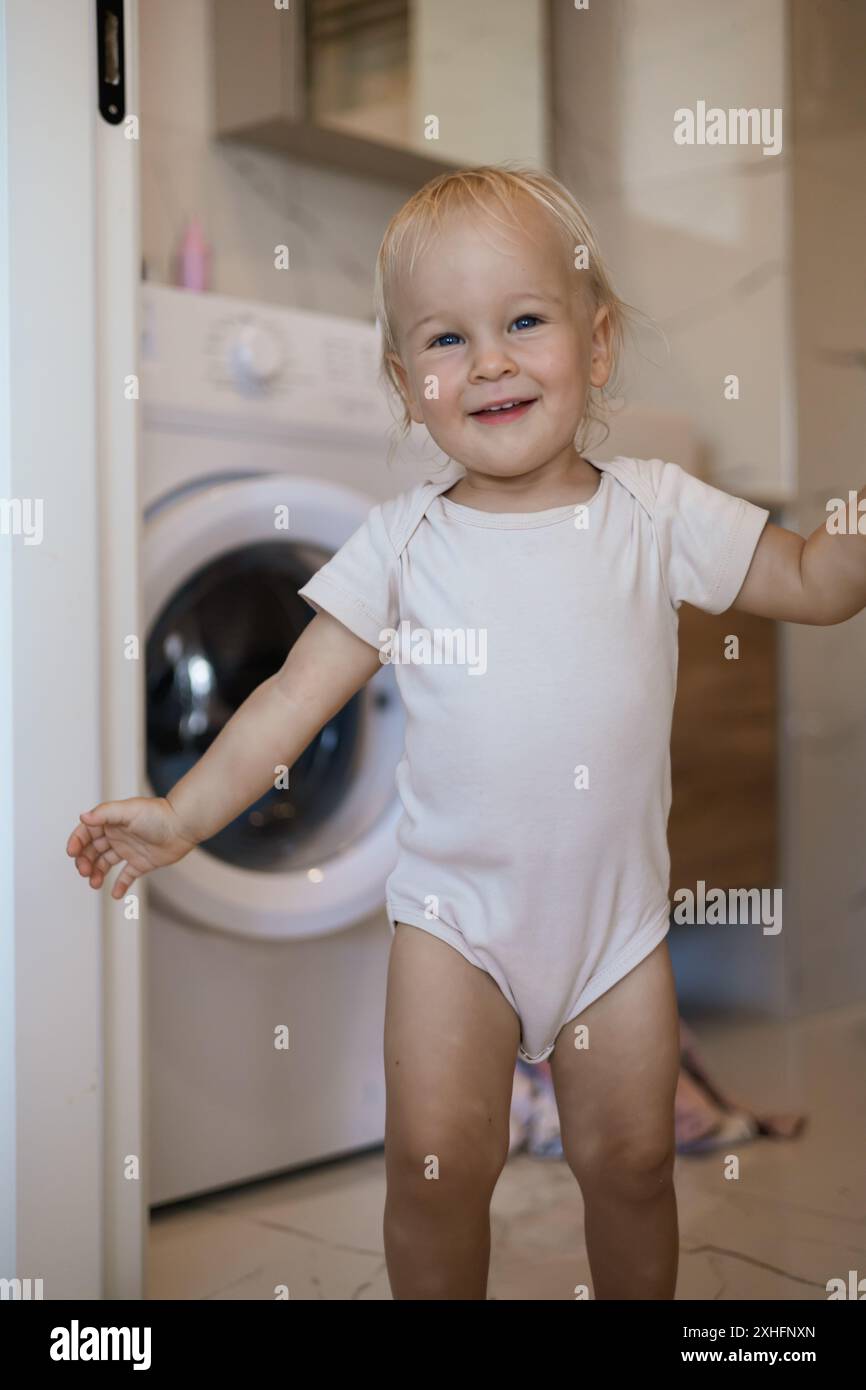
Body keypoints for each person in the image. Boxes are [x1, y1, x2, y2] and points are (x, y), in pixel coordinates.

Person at [66, 164, 866, 1300]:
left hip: (614, 932)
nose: (488, 361)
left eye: (523, 321)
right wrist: (181, 815)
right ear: (407, 385)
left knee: (632, 1165)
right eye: (446, 339)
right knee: (435, 1171)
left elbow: (814, 581)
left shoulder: (655, 509)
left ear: (596, 344)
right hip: (453, 926)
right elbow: (290, 698)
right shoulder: (399, 544)